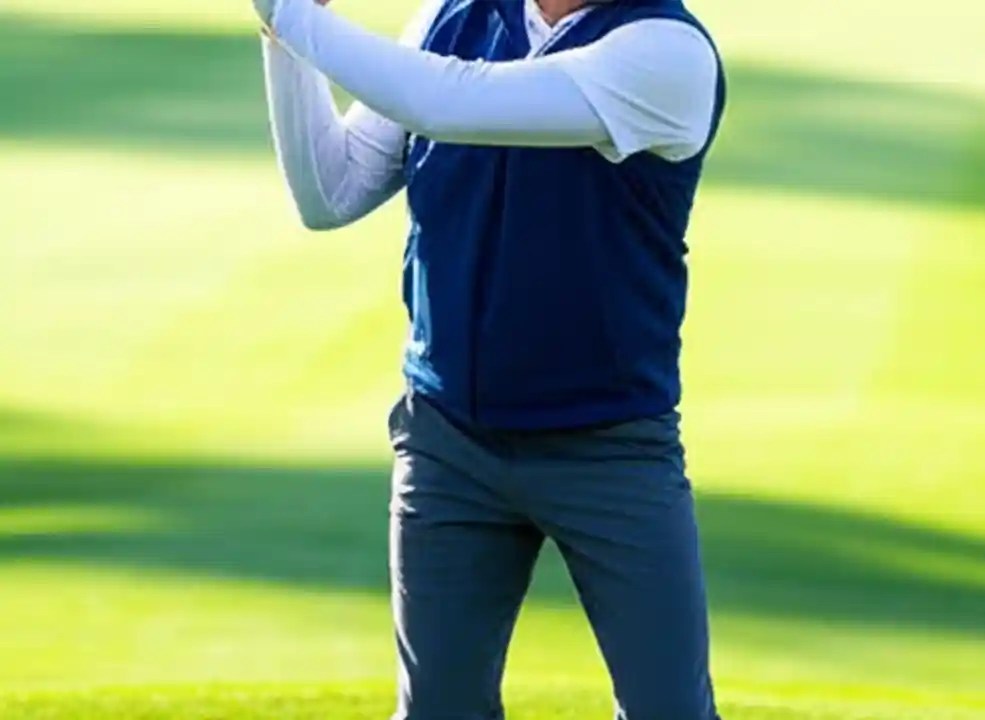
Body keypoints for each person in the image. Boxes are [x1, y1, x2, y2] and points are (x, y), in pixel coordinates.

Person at [254, 0, 727, 717]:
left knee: (668, 710)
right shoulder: (453, 15)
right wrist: (283, 37)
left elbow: (445, 101)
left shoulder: (667, 52)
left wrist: (289, 13)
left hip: (609, 450)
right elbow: (330, 191)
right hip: (449, 444)